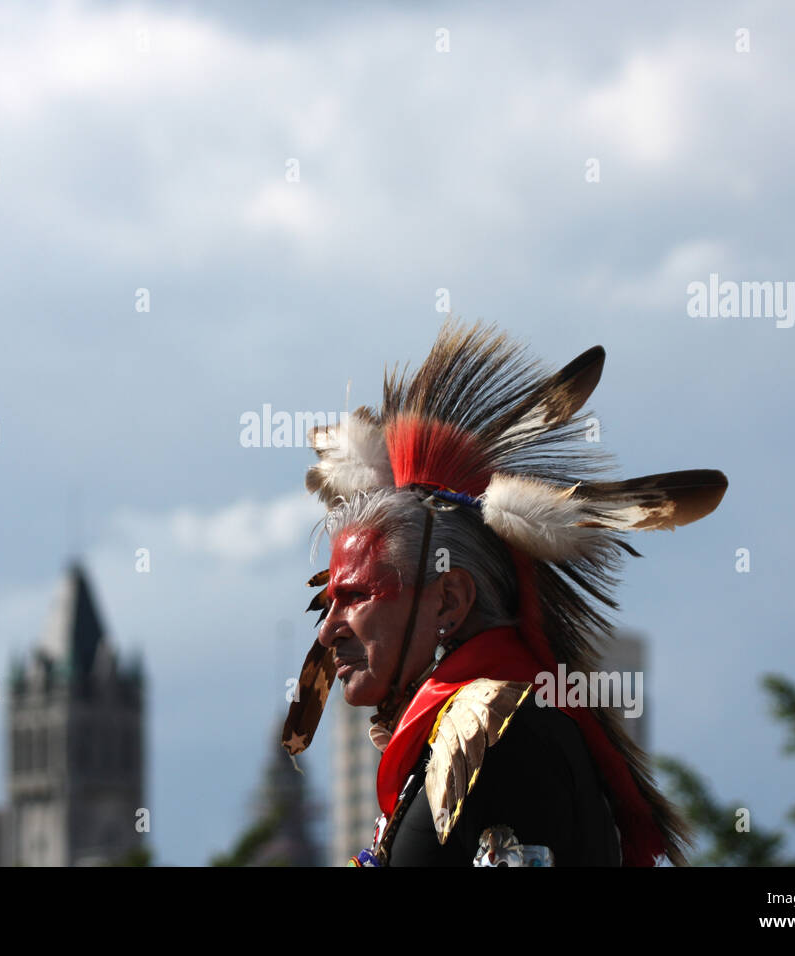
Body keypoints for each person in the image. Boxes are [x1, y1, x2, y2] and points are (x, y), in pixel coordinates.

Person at [281, 321, 727, 867]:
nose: (328, 628)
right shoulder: (468, 733)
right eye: (332, 603)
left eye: (356, 597)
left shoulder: (500, 730)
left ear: (449, 600)